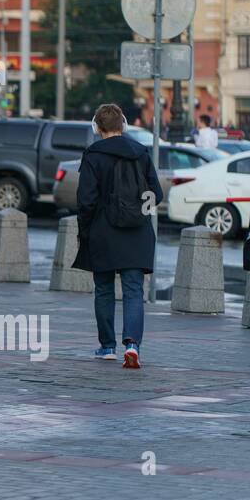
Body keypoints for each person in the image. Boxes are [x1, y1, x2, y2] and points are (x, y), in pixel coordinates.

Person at [73, 103, 162, 368]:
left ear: (97, 128)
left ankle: (107, 346)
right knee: (134, 290)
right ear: (122, 125)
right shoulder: (140, 152)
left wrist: (84, 230)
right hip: (137, 232)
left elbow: (86, 200)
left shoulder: (92, 155)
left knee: (103, 290)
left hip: (103, 231)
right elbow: (156, 192)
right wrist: (140, 213)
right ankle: (132, 345)